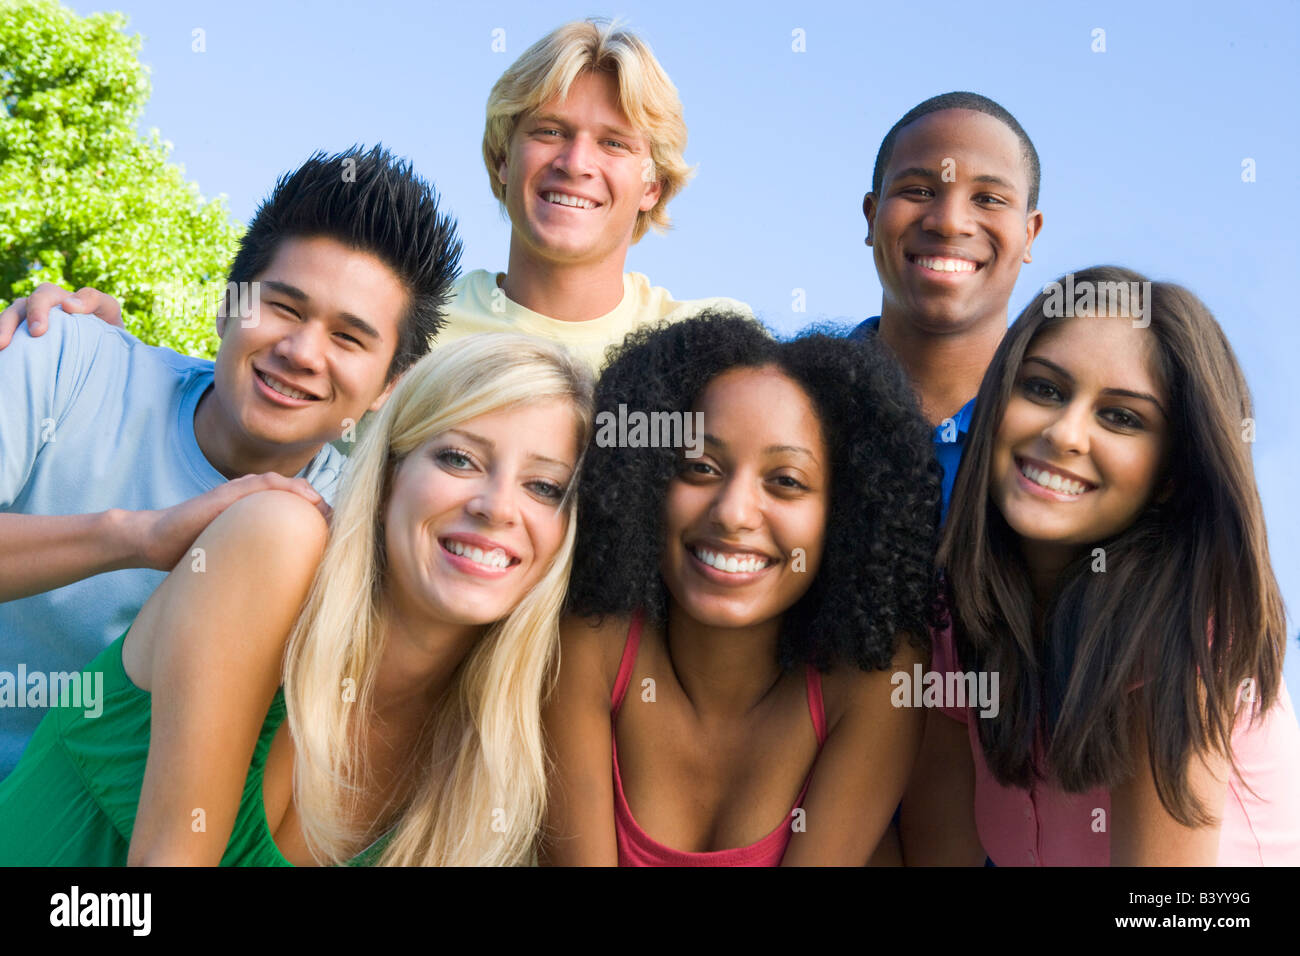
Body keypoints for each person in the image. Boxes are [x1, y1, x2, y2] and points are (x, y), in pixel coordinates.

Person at [0, 334, 594, 865]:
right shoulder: (276, 541)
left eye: (545, 487)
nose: (495, 506)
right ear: (388, 475)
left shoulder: (506, 737)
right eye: (459, 458)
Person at [0, 144, 463, 778]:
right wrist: (137, 536)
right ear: (228, 303)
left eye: (349, 338)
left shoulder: (356, 523)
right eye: (283, 307)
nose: (301, 351)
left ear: (388, 386)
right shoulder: (63, 359)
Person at [901, 266, 1300, 865]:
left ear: (1171, 475)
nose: (1065, 433)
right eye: (1044, 389)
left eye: (1121, 417)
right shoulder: (959, 619)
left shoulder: (1184, 629)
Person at [542, 312, 942, 865]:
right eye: (701, 468)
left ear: (846, 516)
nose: (732, 514)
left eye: (786, 482)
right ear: (646, 478)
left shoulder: (875, 681)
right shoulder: (590, 640)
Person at [439, 18, 752, 370]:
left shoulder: (711, 349)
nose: (575, 164)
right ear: (503, 159)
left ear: (652, 187)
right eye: (550, 131)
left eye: (614, 143)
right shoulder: (413, 327)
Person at [850, 91, 1044, 517]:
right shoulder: (789, 400)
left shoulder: (1059, 434)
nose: (950, 222)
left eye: (988, 199)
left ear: (1029, 235)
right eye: (919, 191)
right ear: (871, 216)